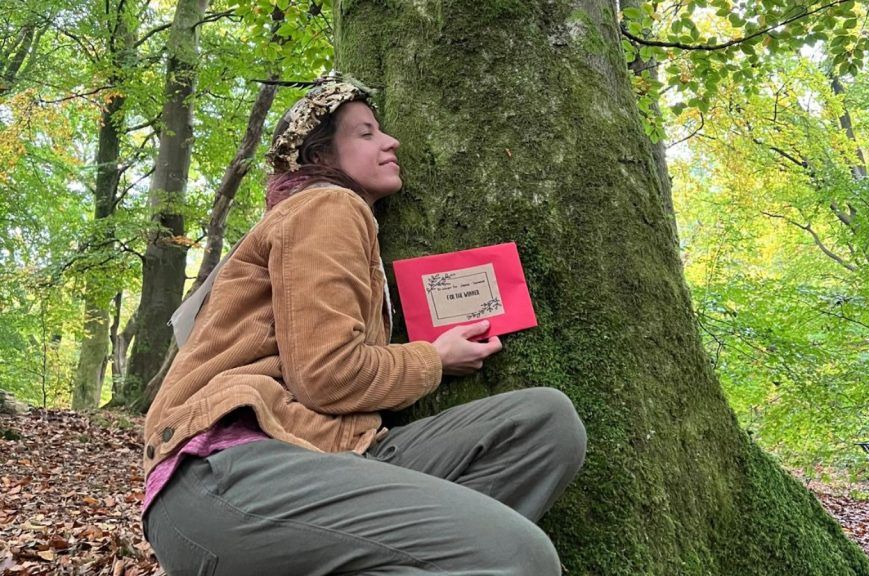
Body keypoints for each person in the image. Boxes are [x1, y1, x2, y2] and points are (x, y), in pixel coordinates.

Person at [142, 75, 587, 576]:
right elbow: (327, 374)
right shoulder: (327, 204)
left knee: (543, 424)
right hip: (230, 470)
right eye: (366, 133)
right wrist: (433, 358)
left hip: (328, 454)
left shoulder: (329, 219)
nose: (391, 141)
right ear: (321, 157)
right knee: (517, 555)